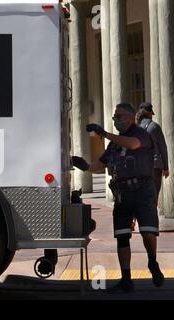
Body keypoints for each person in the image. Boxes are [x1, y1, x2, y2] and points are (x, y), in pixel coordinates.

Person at [71, 102, 164, 293]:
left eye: (118, 117)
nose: (115, 120)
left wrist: (103, 133)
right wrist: (85, 166)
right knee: (122, 236)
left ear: (130, 117)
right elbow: (100, 164)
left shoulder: (140, 134)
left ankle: (152, 262)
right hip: (122, 195)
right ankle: (126, 279)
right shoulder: (114, 144)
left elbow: (132, 145)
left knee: (147, 231)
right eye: (114, 117)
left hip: (142, 192)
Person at [136, 102, 170, 202]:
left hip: (140, 166)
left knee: (142, 194)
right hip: (155, 166)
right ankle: (151, 216)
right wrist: (166, 167)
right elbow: (163, 148)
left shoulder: (136, 128)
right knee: (154, 195)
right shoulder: (154, 127)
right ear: (150, 113)